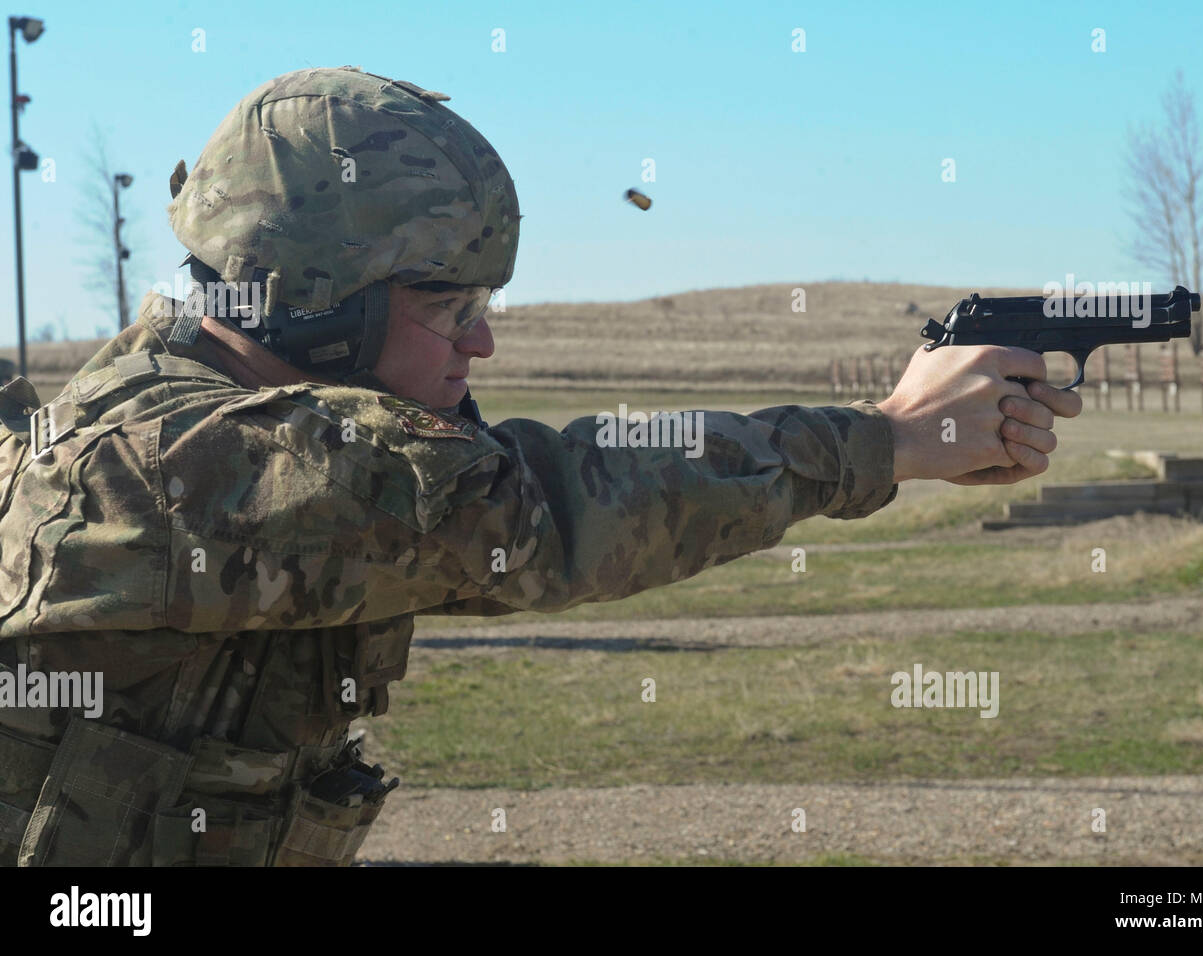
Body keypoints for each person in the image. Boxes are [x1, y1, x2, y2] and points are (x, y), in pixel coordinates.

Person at [0, 67, 1080, 867]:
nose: (482, 345)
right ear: (316, 307)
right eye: (448, 306)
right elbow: (534, 508)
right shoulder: (168, 468)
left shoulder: (170, 423)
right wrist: (887, 437)